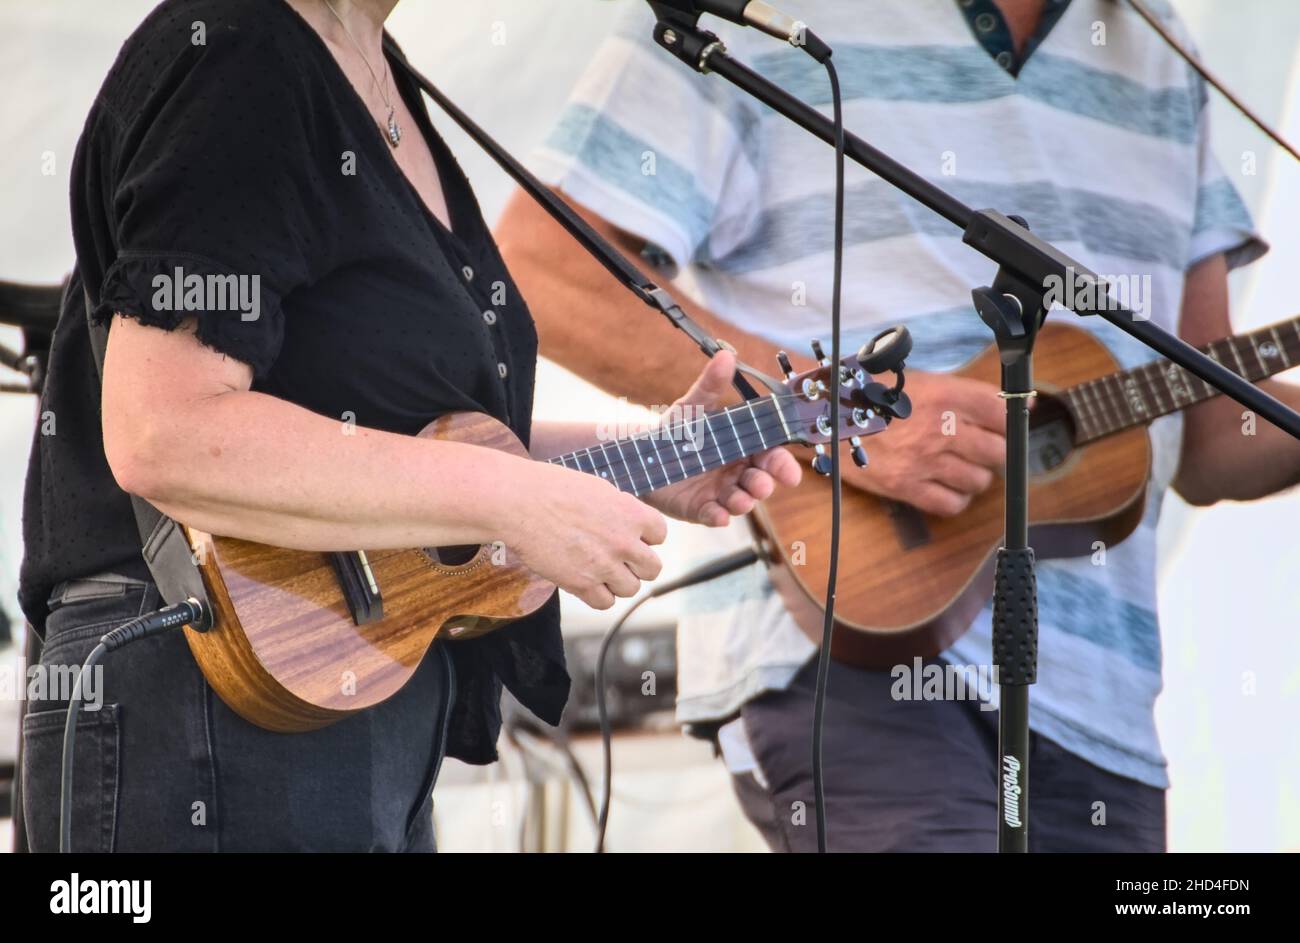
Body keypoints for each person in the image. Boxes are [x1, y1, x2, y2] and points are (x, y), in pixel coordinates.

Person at [496, 0, 1300, 851]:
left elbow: (1212, 429)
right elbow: (547, 266)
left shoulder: (1167, 54)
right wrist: (845, 416)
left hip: (1106, 710)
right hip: (848, 643)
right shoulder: (763, 12)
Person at [17, 0, 799, 852]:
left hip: (351, 703)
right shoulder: (234, 52)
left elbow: (424, 441)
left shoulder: (378, 75)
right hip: (198, 693)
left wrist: (650, 458)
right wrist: (509, 497)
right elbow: (165, 430)